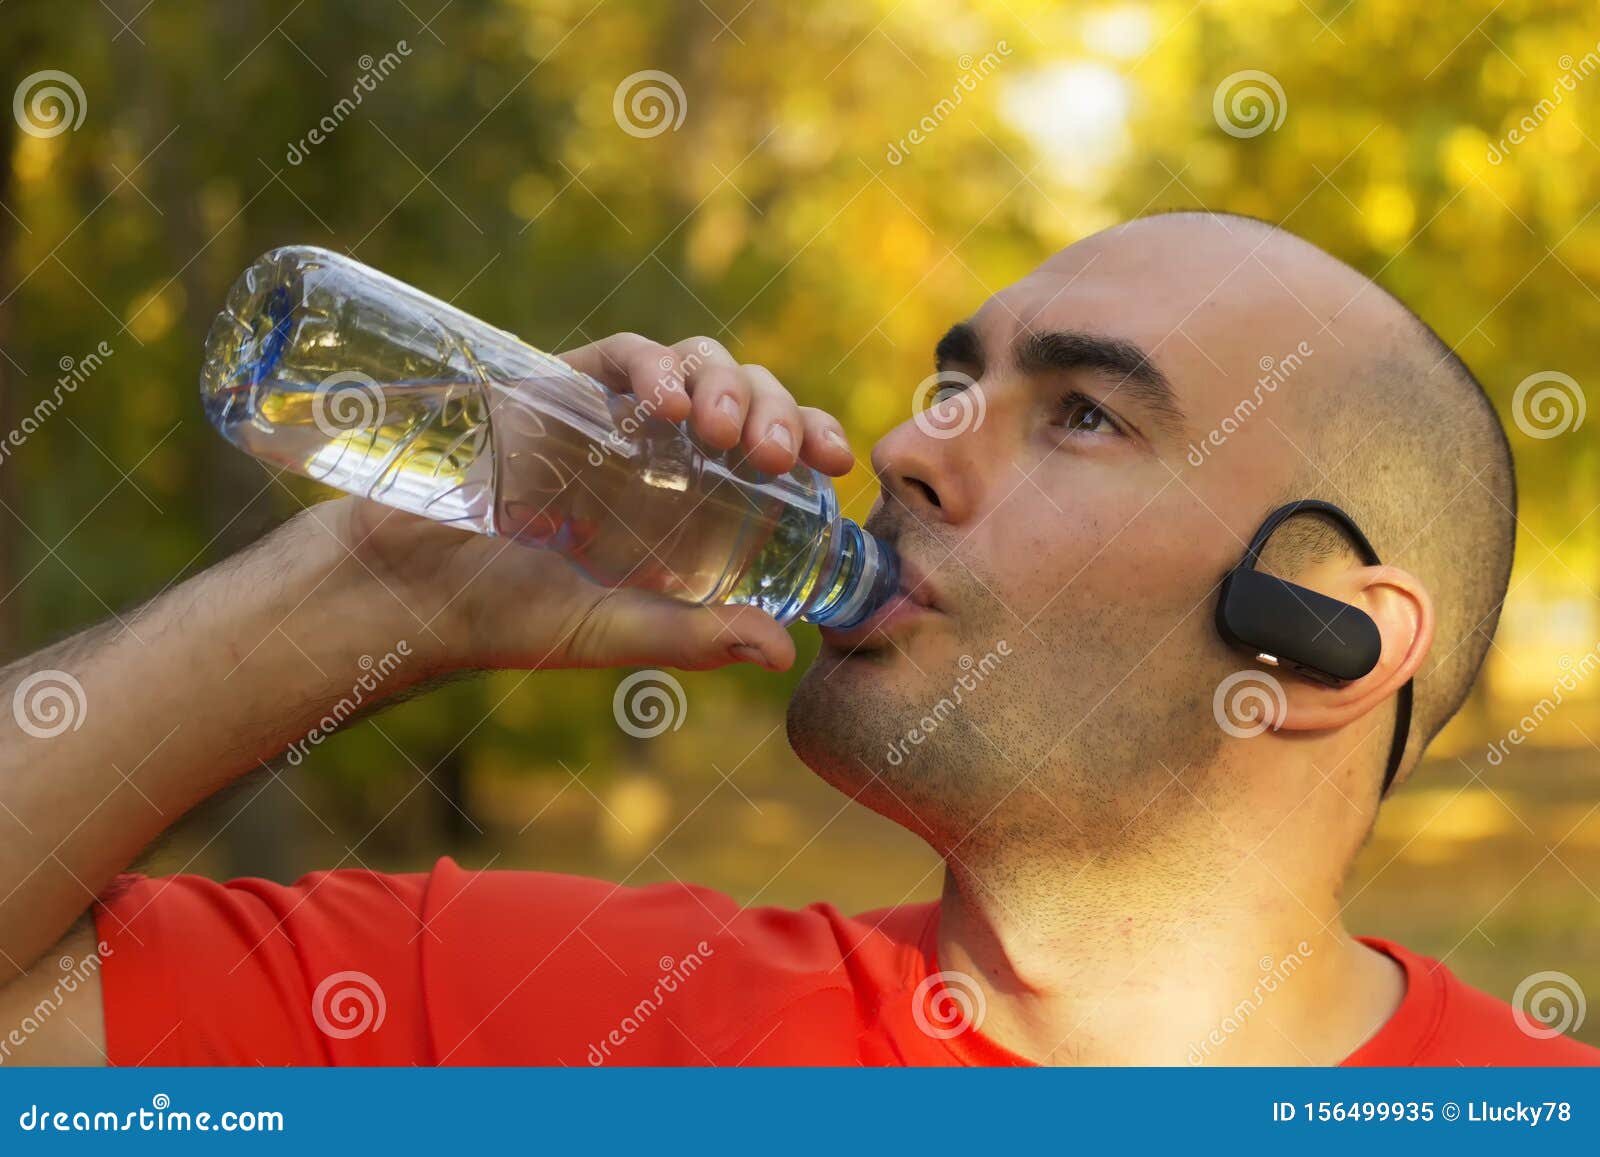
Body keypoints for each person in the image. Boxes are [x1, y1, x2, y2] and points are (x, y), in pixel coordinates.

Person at [1, 211, 1593, 1066]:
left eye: (1086, 413)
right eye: (956, 381)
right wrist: (376, 588)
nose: (910, 446)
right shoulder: (534, 1019)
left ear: (1321, 637)